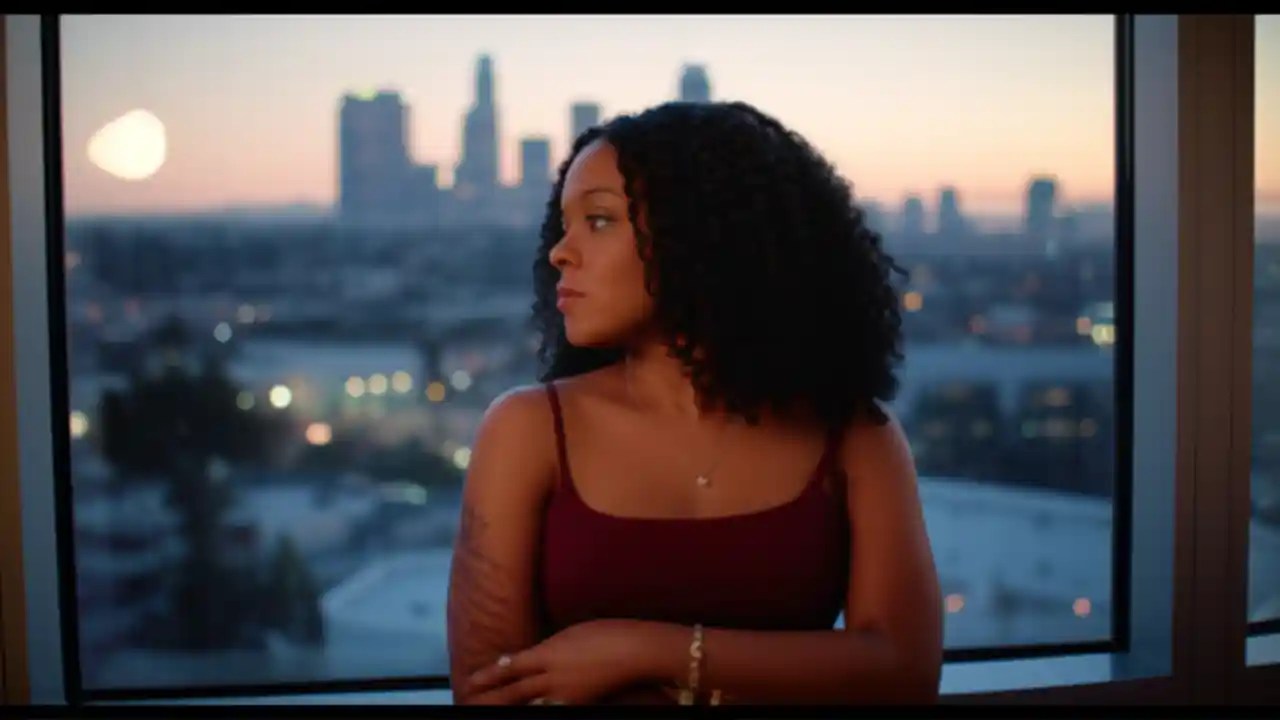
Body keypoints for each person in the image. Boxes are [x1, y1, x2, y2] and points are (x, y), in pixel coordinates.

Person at [446, 100, 942, 705]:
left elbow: (904, 672)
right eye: (564, 225)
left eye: (598, 221)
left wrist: (640, 650)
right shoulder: (528, 430)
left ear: (703, 237)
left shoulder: (855, 436)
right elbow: (488, 691)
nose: (560, 252)